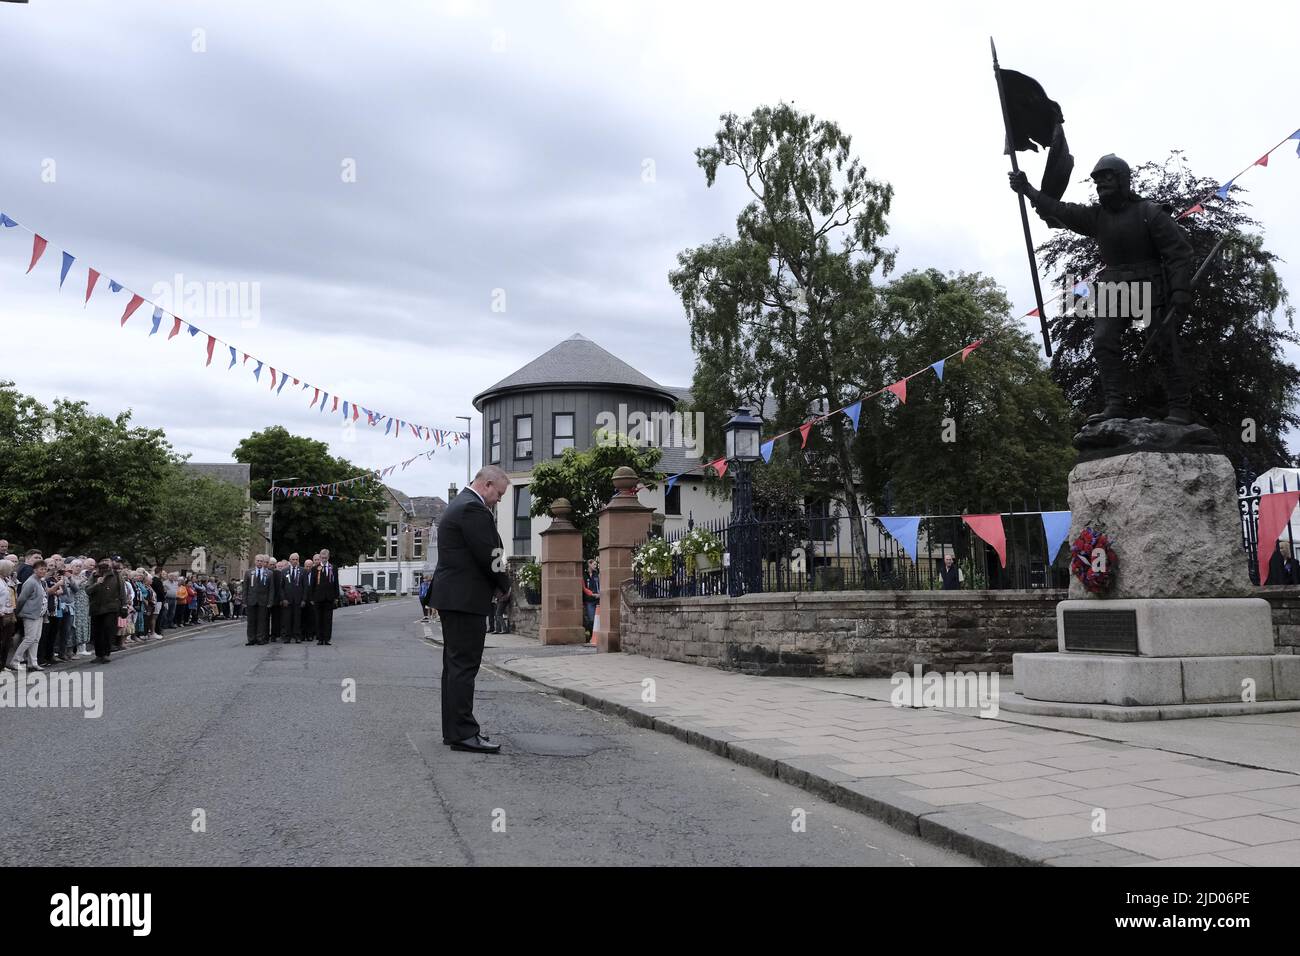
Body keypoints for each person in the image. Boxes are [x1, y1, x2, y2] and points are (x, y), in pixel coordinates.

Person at [1010, 154, 1195, 425]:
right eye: (1097, 182)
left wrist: (1180, 291)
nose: (1101, 186)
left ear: (1122, 180)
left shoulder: (1150, 213)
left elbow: (1179, 253)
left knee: (1163, 345)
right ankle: (1115, 404)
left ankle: (1180, 407)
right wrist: (1027, 190)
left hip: (1149, 285)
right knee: (1103, 341)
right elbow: (1060, 210)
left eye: (1106, 180)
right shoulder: (1097, 217)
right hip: (1113, 286)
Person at [430, 465, 511, 754]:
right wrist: (505, 583)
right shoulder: (472, 509)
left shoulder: (461, 505)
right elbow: (489, 553)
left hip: (455, 599)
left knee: (454, 667)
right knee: (464, 667)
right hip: (465, 600)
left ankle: (453, 731)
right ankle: (464, 733)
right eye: (499, 493)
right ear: (487, 484)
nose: (499, 500)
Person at [9, 558, 51, 670]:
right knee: (29, 638)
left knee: (36, 638)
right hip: (30, 614)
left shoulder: (41, 581)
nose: (43, 571)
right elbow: (22, 598)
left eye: (45, 569)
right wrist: (17, 612)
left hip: (40, 614)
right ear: (35, 570)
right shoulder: (30, 582)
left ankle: (33, 662)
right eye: (41, 569)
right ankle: (15, 661)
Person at [86, 558, 126, 663]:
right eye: (102, 566)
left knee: (108, 630)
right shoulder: (93, 576)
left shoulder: (116, 576)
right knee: (97, 632)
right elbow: (88, 590)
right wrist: (97, 584)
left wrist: (124, 606)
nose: (104, 568)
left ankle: (106, 653)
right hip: (96, 608)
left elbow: (122, 592)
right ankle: (99, 654)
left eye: (106, 566)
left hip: (111, 608)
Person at [242, 554, 278, 645]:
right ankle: (251, 639)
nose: (259, 562)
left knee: (262, 621)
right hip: (251, 600)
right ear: (255, 561)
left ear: (264, 563)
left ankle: (260, 638)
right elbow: (245, 588)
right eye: (258, 561)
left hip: (263, 601)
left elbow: (271, 589)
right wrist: (244, 601)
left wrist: (270, 601)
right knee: (251, 621)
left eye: (261, 561)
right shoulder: (249, 572)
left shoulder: (269, 573)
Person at [308, 549, 340, 645]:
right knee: (319, 619)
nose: (324, 559)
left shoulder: (333, 568)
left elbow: (336, 583)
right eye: (322, 558)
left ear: (328, 557)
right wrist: (312, 598)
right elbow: (312, 584)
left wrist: (336, 596)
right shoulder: (315, 568)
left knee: (328, 619)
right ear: (320, 557)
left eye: (326, 558)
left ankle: (327, 638)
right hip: (318, 598)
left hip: (329, 598)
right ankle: (320, 638)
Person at [280, 554, 307, 643]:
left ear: (298, 560)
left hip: (298, 600)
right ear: (290, 560)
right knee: (287, 620)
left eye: (296, 559)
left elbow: (305, 587)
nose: (295, 561)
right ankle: (287, 637)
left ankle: (297, 636)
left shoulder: (303, 571)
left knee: (297, 620)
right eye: (293, 559)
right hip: (287, 601)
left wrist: (304, 599)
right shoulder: (284, 571)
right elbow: (281, 587)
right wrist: (283, 599)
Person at [0, 559, 17, 667]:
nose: (12, 570)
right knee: (1, 641)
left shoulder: (8, 580)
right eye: (11, 568)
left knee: (7, 641)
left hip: (10, 612)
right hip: (2, 613)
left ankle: (3, 664)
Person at [582, 558, 600, 629]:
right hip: (589, 600)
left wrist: (599, 594)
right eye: (594, 564)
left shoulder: (597, 574)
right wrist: (592, 594)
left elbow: (600, 585)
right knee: (591, 619)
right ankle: (592, 635)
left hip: (598, 600)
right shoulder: (584, 575)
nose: (595, 566)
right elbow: (584, 588)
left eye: (596, 564)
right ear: (589, 564)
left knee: (598, 620)